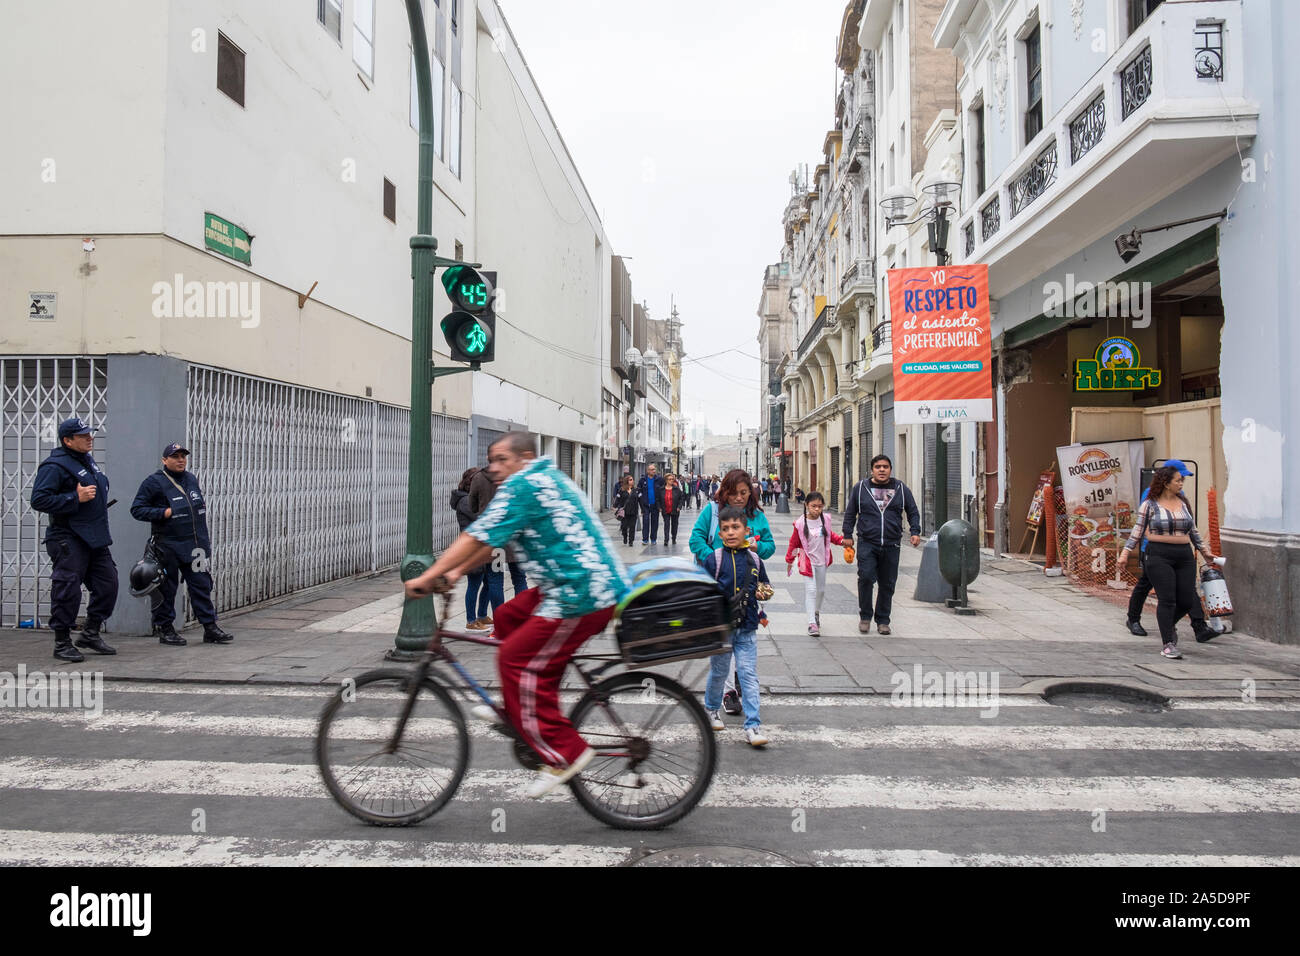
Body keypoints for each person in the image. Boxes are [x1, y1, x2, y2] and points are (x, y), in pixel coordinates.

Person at [406, 432, 631, 798]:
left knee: (513, 659)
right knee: (508, 617)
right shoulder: (543, 476)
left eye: (501, 460)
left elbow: (474, 537)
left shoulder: (524, 485)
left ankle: (564, 753)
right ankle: (520, 709)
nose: (493, 469)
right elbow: (491, 540)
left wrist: (428, 576)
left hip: (581, 594)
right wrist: (454, 573)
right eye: (490, 460)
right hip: (569, 584)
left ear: (525, 457)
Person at [30, 417, 119, 662]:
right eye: (83, 435)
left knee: (108, 585)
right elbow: (39, 500)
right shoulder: (54, 466)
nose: (90, 438)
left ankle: (90, 633)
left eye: (90, 434)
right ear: (67, 440)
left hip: (95, 538)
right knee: (68, 589)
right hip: (68, 538)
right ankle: (62, 642)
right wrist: (73, 498)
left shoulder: (87, 461)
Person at [689, 468, 776, 715]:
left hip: (747, 589)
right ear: (724, 492)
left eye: (744, 493)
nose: (739, 498)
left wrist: (759, 547)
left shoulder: (756, 516)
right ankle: (727, 692)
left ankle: (738, 683)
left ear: (751, 493)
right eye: (734, 493)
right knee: (723, 645)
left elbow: (770, 546)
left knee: (744, 637)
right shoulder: (713, 512)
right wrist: (716, 561)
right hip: (719, 588)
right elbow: (695, 539)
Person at [130, 443, 234, 645]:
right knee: (166, 589)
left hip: (195, 547)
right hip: (168, 547)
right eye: (175, 456)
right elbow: (137, 509)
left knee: (201, 586)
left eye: (183, 456)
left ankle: (210, 627)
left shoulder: (190, 479)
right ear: (164, 460)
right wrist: (163, 513)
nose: (180, 460)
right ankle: (166, 629)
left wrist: (204, 544)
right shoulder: (154, 482)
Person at [1119, 464, 1219, 658]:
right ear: (1166, 483)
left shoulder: (1183, 502)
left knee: (1186, 600)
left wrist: (1204, 551)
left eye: (1182, 480)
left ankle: (1167, 623)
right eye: (1178, 480)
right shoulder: (1150, 504)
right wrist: (1125, 553)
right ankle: (1168, 643)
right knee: (1167, 599)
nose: (1181, 483)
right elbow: (1137, 530)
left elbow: (1193, 530)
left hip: (1184, 555)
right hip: (1158, 555)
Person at [701, 505, 771, 747]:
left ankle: (753, 725)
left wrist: (763, 592)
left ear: (746, 530)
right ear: (719, 534)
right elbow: (703, 591)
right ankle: (711, 709)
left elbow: (764, 585)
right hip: (722, 628)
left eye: (736, 527)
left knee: (748, 675)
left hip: (748, 627)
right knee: (719, 671)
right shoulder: (714, 559)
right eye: (725, 529)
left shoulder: (755, 559)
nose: (731, 532)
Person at [842, 454, 921, 636]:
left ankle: (883, 620)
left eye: (885, 467)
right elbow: (850, 512)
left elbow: (913, 511)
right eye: (878, 467)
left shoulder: (900, 488)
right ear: (872, 470)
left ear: (890, 470)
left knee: (888, 583)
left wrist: (915, 531)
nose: (882, 470)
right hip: (867, 542)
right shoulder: (861, 488)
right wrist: (847, 534)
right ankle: (865, 617)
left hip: (892, 544)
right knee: (866, 577)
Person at [785, 491, 844, 636]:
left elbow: (831, 536)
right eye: (813, 506)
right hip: (807, 562)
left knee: (821, 590)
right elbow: (794, 543)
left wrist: (843, 541)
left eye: (819, 506)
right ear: (806, 505)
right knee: (810, 590)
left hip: (822, 561)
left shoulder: (825, 520)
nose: (817, 509)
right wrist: (790, 560)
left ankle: (816, 612)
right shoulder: (800, 523)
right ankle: (812, 623)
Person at [451, 468, 495, 629]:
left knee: (489, 583)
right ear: (472, 482)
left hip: (481, 546)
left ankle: (482, 615)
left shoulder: (469, 499)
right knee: (474, 584)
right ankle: (471, 620)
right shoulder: (465, 501)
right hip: (472, 548)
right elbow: (480, 517)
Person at [466, 461, 505, 629]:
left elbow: (472, 506)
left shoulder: (479, 478)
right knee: (496, 581)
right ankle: (499, 622)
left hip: (482, 541)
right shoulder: (507, 478)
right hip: (499, 543)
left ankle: (482, 615)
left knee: (488, 582)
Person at [636, 463, 661, 545]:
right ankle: (645, 539)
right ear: (648, 471)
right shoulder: (642, 480)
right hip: (645, 505)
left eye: (654, 469)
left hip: (655, 505)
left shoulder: (659, 479)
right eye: (652, 469)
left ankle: (653, 539)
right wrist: (641, 502)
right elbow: (639, 491)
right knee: (646, 522)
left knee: (655, 522)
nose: (654, 471)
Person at [658, 473, 686, 546]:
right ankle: (666, 540)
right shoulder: (661, 489)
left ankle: (674, 538)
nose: (671, 481)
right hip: (665, 509)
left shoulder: (676, 489)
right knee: (666, 525)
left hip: (675, 510)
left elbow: (681, 498)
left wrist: (679, 507)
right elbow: (658, 499)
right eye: (669, 479)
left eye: (672, 479)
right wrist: (659, 507)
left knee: (674, 525)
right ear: (666, 480)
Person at [612, 473, 639, 546]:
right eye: (630, 480)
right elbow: (618, 499)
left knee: (632, 527)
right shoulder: (622, 490)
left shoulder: (636, 490)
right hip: (624, 512)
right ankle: (625, 537)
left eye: (632, 480)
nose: (632, 481)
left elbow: (640, 500)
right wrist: (615, 506)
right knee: (624, 526)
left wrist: (643, 509)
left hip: (633, 511)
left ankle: (631, 541)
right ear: (627, 481)